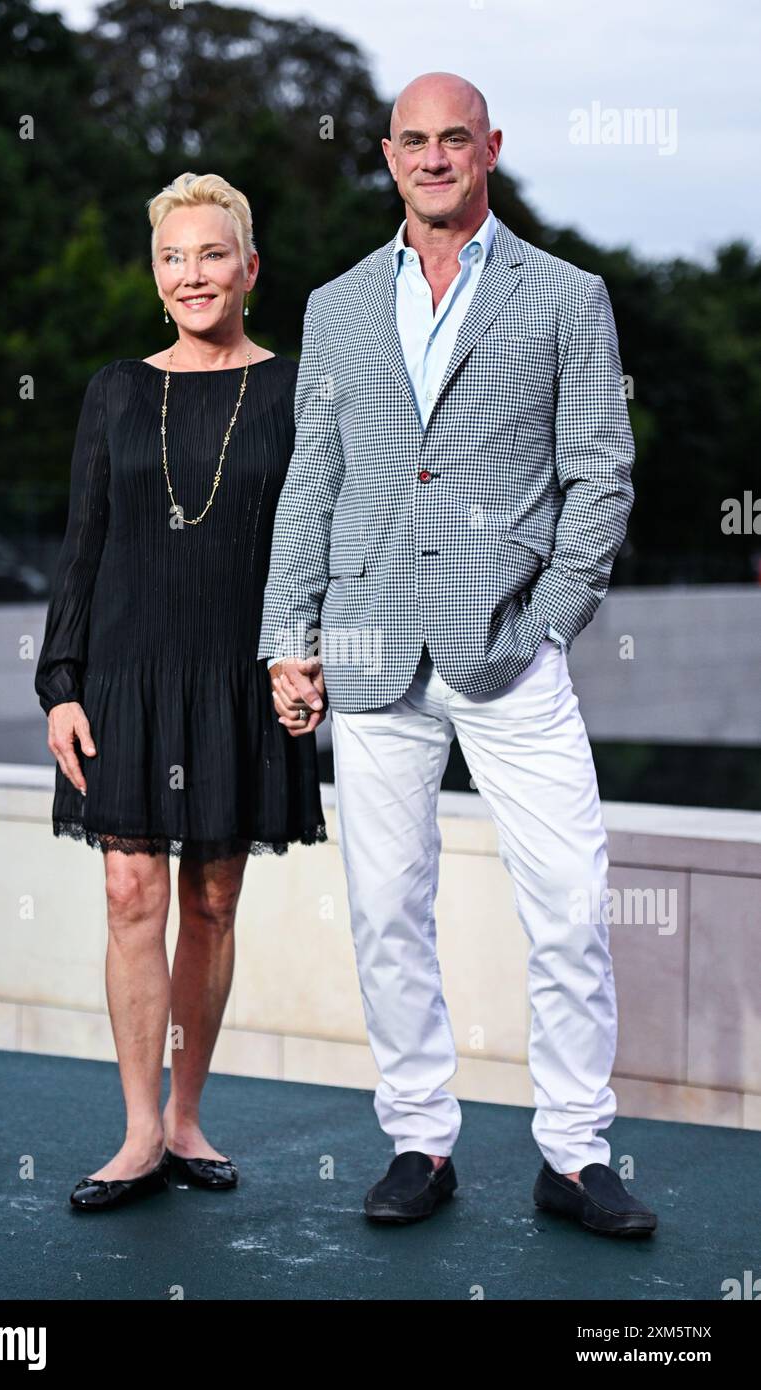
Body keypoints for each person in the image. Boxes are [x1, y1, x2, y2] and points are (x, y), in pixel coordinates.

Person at [259, 73, 657, 1236]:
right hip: (369, 645)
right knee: (385, 910)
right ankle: (418, 1142)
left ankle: (573, 1155)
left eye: (454, 139)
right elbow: (312, 477)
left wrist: (550, 620)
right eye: (413, 141)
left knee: (570, 906)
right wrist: (289, 637)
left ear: (489, 148)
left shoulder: (565, 295)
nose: (433, 157)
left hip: (509, 649)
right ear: (388, 156)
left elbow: (599, 474)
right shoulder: (336, 304)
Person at [35, 171, 327, 1211]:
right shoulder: (116, 389)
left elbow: (319, 540)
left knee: (211, 899)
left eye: (211, 254)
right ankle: (137, 1131)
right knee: (129, 895)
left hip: (236, 679)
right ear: (155, 276)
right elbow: (83, 544)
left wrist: (305, 652)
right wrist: (60, 683)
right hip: (124, 679)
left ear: (250, 268)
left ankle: (188, 1117)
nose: (192, 273)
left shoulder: (296, 388)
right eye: (172, 257)